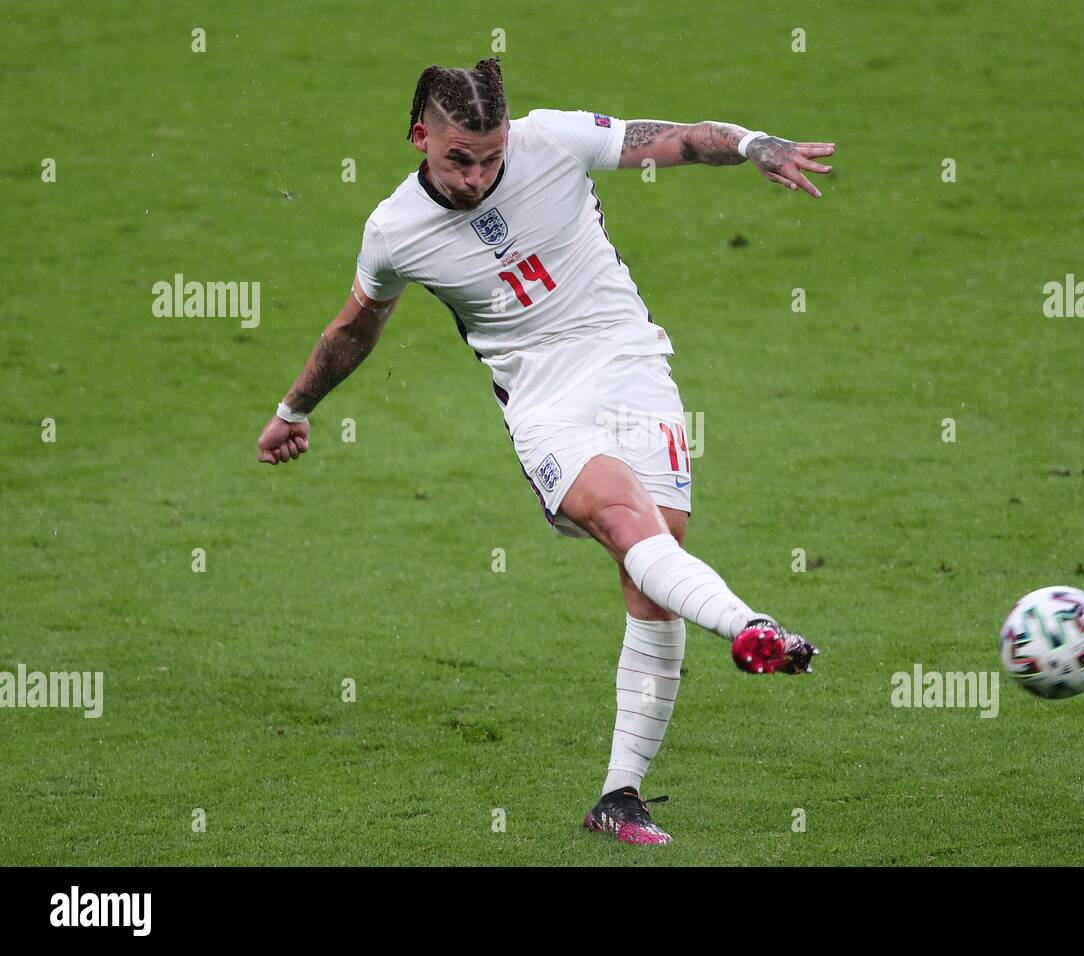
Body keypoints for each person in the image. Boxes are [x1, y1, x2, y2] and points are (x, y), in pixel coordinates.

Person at [256, 56, 833, 845]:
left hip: (631, 362)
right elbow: (353, 331)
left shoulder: (552, 140)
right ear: (420, 135)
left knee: (657, 571)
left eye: (491, 157)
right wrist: (295, 408)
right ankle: (749, 626)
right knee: (634, 530)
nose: (478, 176)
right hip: (546, 402)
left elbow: (674, 141)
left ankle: (619, 797)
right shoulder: (395, 231)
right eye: (459, 157)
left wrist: (753, 143)